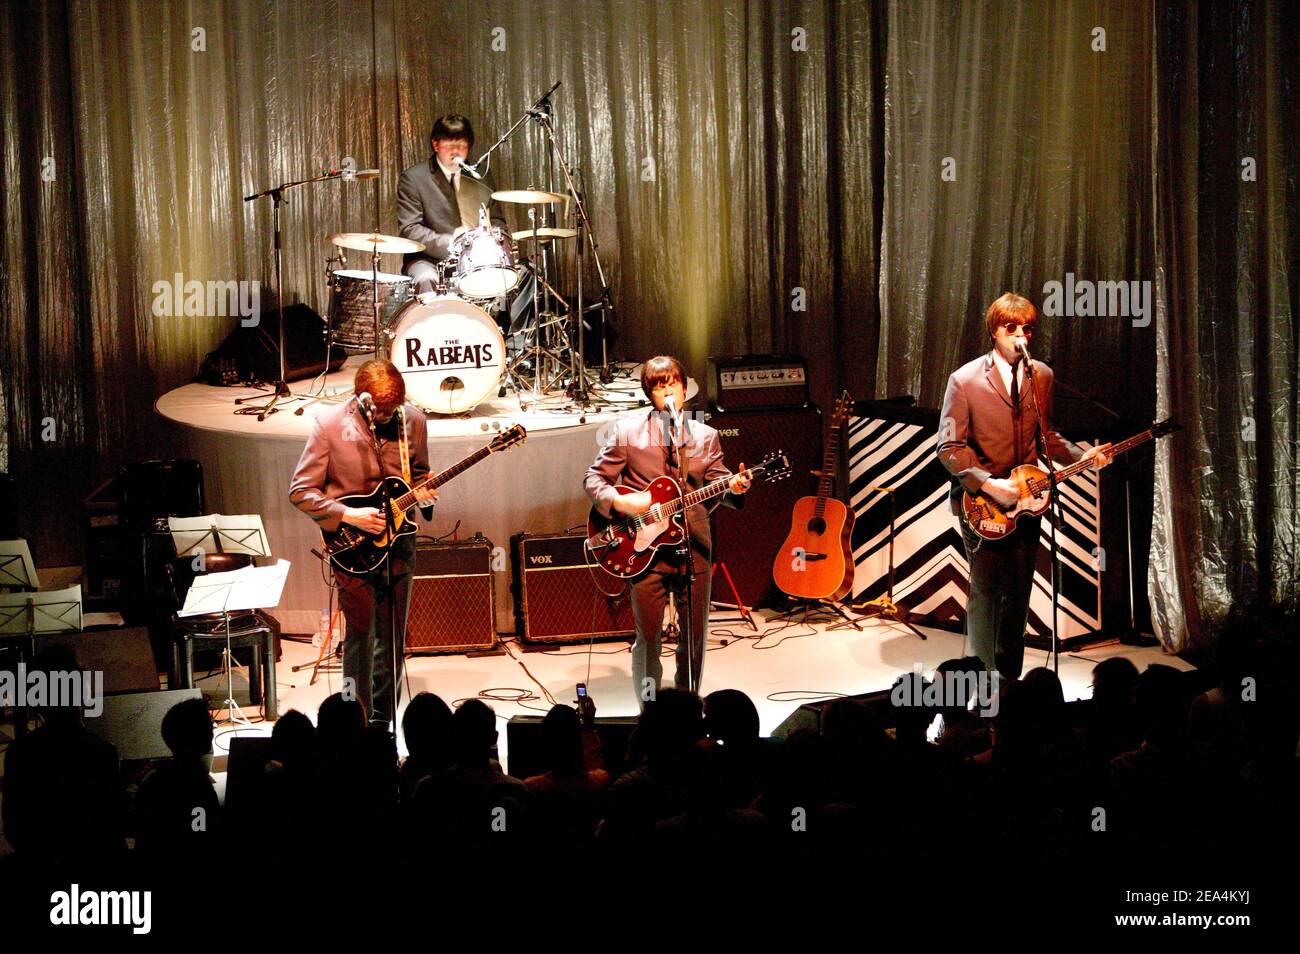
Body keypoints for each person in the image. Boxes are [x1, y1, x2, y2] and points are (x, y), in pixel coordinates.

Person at [938, 293, 1111, 680]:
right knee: (985, 591)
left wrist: (1080, 456)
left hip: (1028, 500)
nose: (1021, 336)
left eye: (1027, 329)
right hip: (981, 502)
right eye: (1011, 328)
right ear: (994, 331)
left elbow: (1045, 435)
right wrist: (988, 484)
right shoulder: (964, 380)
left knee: (1017, 592)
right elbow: (948, 448)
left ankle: (1010, 683)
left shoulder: (1040, 375)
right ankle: (981, 682)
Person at [584, 356, 751, 705]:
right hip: (644, 551)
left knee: (695, 637)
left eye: (673, 382)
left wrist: (734, 488)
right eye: (659, 385)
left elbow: (718, 481)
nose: (668, 390)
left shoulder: (705, 436)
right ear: (649, 392)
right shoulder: (627, 433)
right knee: (648, 638)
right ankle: (649, 712)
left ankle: (688, 708)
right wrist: (620, 501)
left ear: (684, 387)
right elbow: (594, 479)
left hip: (695, 547)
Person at [289, 359, 437, 727]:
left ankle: (383, 726)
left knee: (393, 640)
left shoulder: (413, 421)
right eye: (383, 411)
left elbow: (418, 477)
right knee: (359, 637)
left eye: (394, 410)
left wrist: (427, 495)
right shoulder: (329, 425)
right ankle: (353, 727)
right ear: (363, 400)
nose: (390, 417)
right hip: (352, 547)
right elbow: (300, 492)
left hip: (400, 545)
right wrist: (348, 515)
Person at [397, 113, 508, 296]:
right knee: (427, 279)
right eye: (449, 144)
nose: (455, 151)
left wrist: (496, 243)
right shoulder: (414, 178)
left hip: (477, 259)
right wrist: (453, 243)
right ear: (436, 144)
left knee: (521, 275)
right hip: (429, 260)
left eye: (461, 145)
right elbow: (410, 229)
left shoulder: (481, 176)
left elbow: (497, 220)